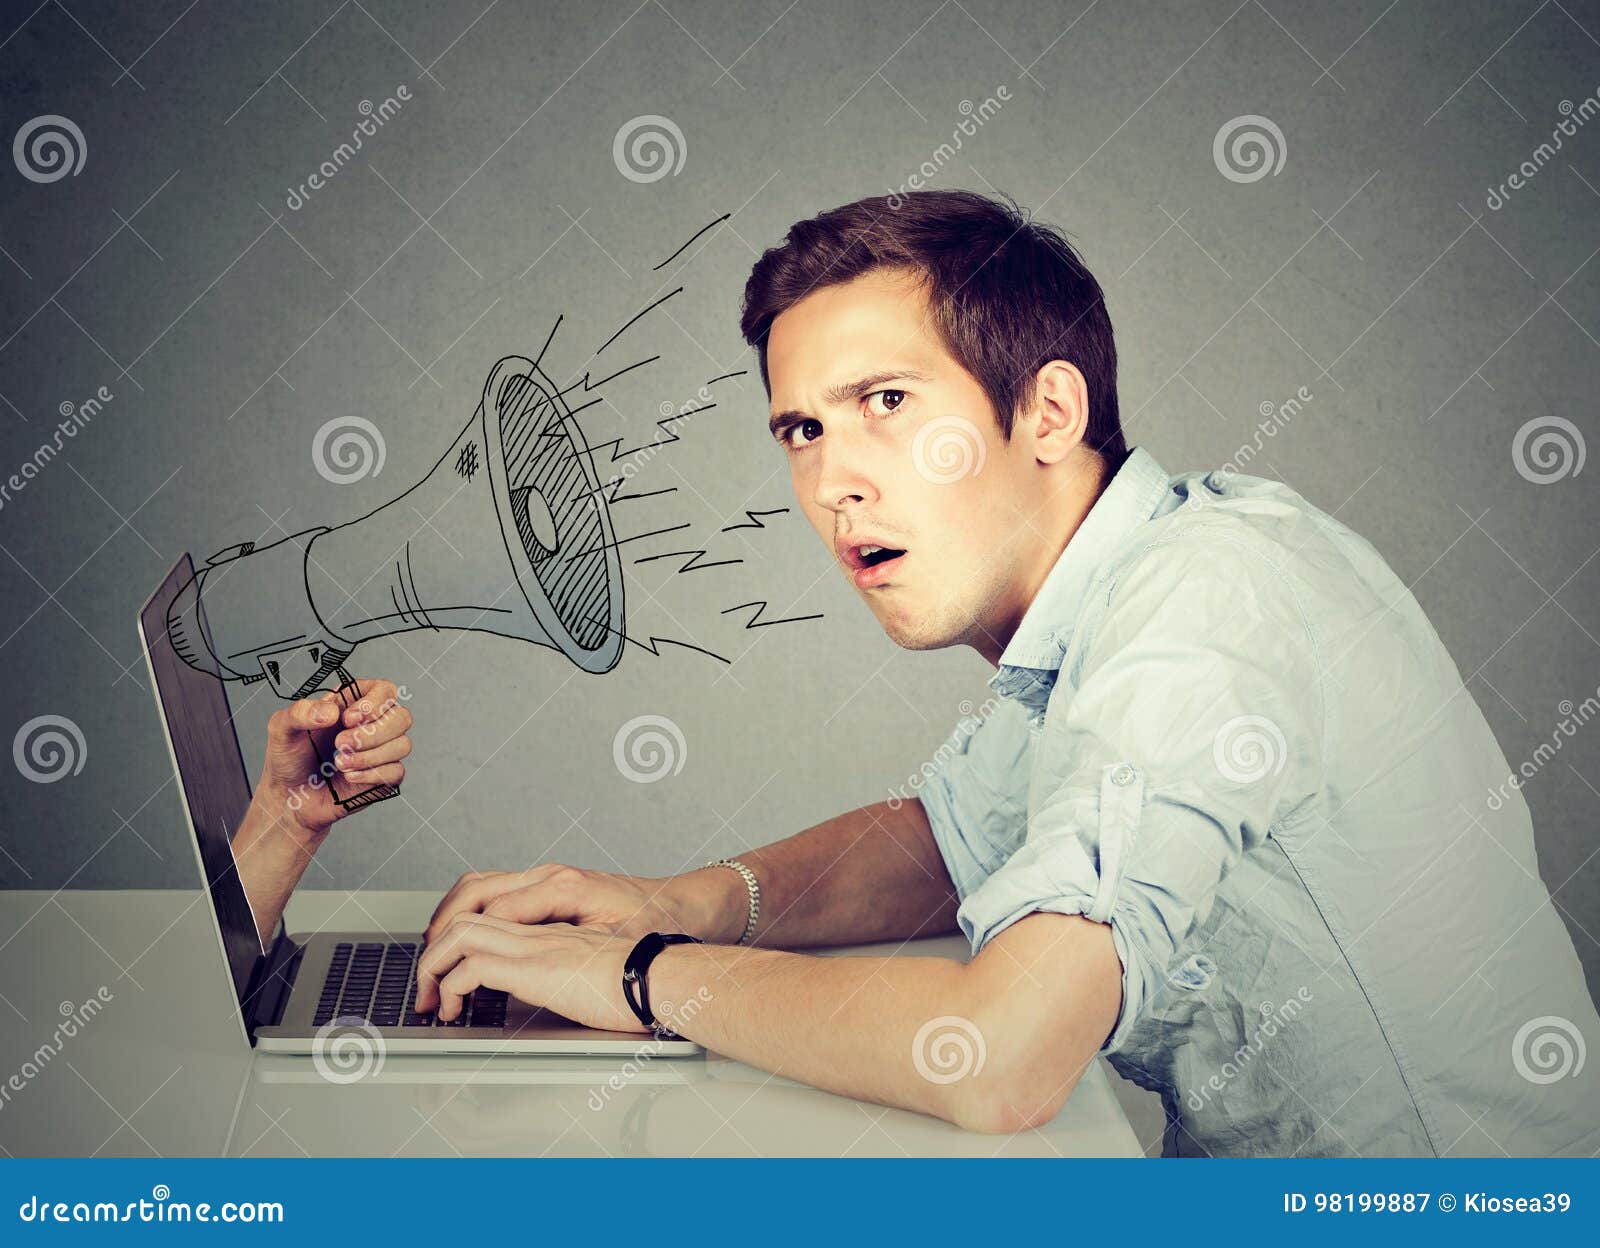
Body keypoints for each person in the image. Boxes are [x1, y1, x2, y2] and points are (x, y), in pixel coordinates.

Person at [233, 190, 1600, 1154]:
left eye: (890, 405)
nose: (834, 481)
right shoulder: (1132, 576)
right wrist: (675, 899)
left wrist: (645, 976)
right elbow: (941, 845)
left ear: (1048, 410)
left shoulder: (1204, 617)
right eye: (802, 429)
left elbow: (1000, 1059)